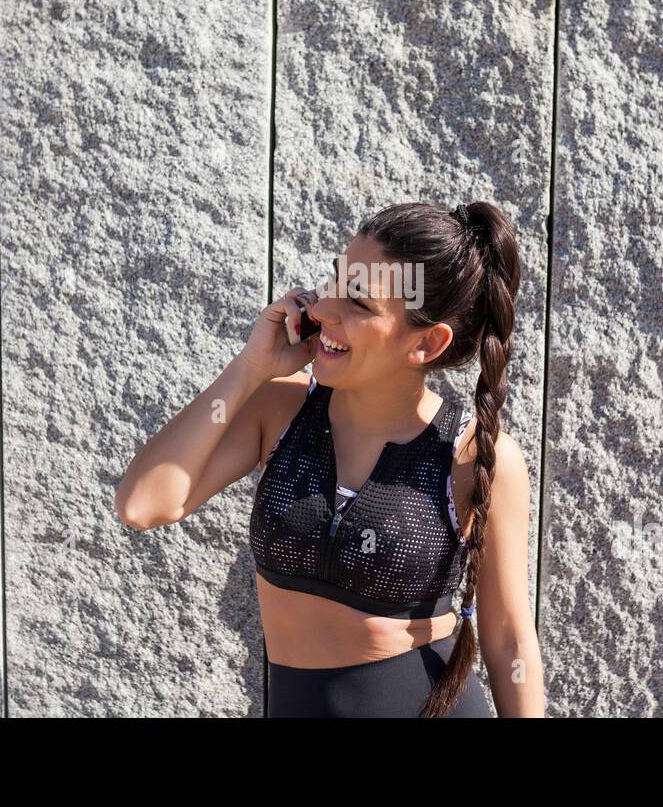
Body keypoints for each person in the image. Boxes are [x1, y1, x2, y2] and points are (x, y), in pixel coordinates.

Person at [115, 201, 544, 717]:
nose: (323, 311)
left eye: (359, 303)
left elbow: (508, 639)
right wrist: (250, 369)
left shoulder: (471, 453)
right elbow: (143, 504)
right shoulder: (280, 409)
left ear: (427, 343)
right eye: (335, 282)